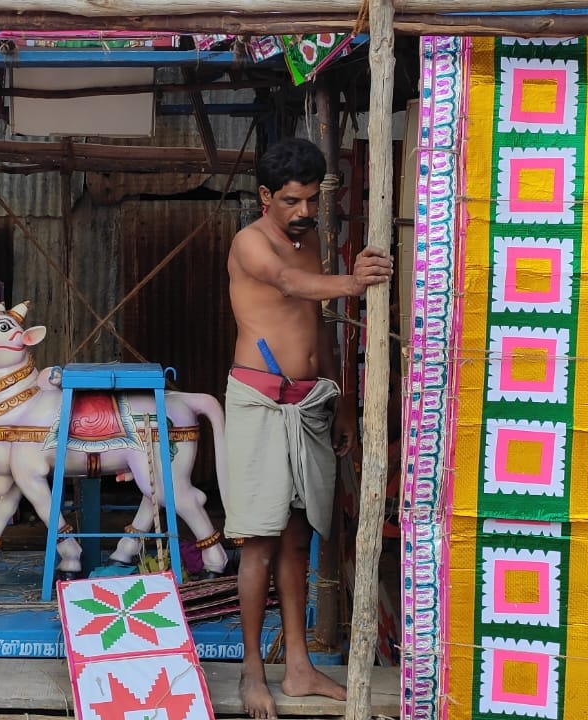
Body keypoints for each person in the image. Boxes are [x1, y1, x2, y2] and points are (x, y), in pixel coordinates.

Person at [221, 137, 393, 719]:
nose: (303, 212)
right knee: (259, 540)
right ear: (266, 196)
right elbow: (291, 286)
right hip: (260, 404)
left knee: (299, 534)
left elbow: (314, 321)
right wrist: (355, 282)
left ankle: (298, 666)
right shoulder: (250, 242)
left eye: (312, 201)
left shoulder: (311, 237)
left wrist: (340, 398)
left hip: (311, 401)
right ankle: (252, 675)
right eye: (291, 201)